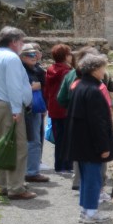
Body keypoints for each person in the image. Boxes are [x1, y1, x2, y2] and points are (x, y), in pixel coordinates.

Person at [66, 53, 113, 223]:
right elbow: (98, 124)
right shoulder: (94, 91)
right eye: (103, 68)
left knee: (86, 176)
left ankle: (85, 210)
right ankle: (90, 213)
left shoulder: (79, 86)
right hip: (91, 143)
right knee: (92, 178)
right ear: (95, 70)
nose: (105, 71)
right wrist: (104, 147)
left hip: (80, 141)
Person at [0, 26, 35, 199]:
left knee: (2, 144)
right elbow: (14, 86)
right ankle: (16, 187)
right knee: (17, 146)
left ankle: (4, 184)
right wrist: (17, 109)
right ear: (14, 42)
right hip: (9, 105)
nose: (22, 45)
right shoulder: (12, 58)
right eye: (21, 41)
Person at [20, 43, 49, 183]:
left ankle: (30, 169)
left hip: (36, 108)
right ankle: (31, 172)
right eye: (29, 54)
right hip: (28, 108)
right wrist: (34, 87)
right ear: (22, 56)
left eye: (35, 53)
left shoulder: (35, 69)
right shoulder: (22, 69)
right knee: (33, 140)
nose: (34, 56)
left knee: (34, 139)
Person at [44, 43, 74, 173]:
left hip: (53, 108)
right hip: (65, 109)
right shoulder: (67, 72)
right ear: (66, 56)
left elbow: (47, 91)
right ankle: (67, 165)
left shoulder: (50, 70)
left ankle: (59, 165)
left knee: (59, 138)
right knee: (68, 138)